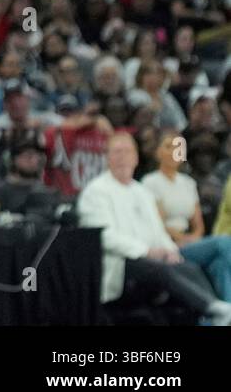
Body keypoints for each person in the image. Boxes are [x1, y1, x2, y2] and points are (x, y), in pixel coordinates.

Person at [77, 132, 231, 324]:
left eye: (127, 151)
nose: (123, 157)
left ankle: (215, 315)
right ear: (107, 157)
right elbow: (103, 236)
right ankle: (214, 309)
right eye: (117, 152)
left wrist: (170, 251)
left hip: (153, 257)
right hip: (122, 262)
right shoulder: (95, 191)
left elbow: (158, 231)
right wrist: (147, 251)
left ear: (136, 157)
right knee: (158, 269)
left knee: (188, 266)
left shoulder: (142, 192)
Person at [141, 130, 231, 301]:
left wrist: (194, 237)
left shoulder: (188, 183)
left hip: (190, 242)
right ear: (157, 152)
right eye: (169, 146)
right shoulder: (150, 182)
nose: (175, 151)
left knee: (220, 265)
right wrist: (182, 238)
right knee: (224, 242)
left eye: (179, 147)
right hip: (168, 245)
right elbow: (157, 223)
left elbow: (198, 224)